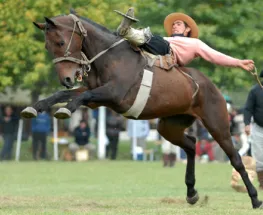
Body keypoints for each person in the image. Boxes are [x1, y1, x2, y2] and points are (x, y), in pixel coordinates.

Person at [115, 8, 254, 72]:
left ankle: (126, 31)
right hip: (150, 52)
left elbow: (215, 56)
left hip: (168, 53)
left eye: (178, 24)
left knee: (153, 37)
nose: (174, 26)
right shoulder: (165, 38)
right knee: (137, 42)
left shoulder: (195, 43)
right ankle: (119, 36)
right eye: (173, 24)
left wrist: (238, 62)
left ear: (187, 29)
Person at [243, 69, 263, 190]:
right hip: (259, 129)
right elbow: (248, 109)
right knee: (260, 157)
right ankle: (262, 183)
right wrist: (246, 124)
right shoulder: (255, 91)